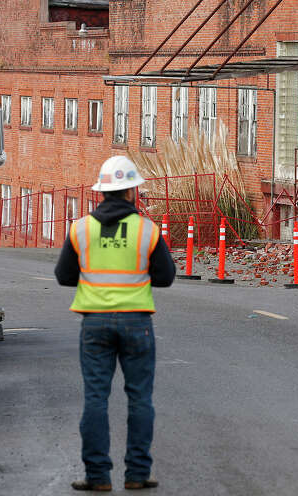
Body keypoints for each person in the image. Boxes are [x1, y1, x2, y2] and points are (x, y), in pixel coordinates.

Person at [54, 156, 175, 492]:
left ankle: (97, 476)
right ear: (132, 191)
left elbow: (64, 276)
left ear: (102, 191)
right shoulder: (147, 230)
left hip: (94, 324)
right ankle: (137, 474)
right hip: (137, 322)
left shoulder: (80, 228)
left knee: (95, 398)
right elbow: (165, 278)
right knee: (140, 399)